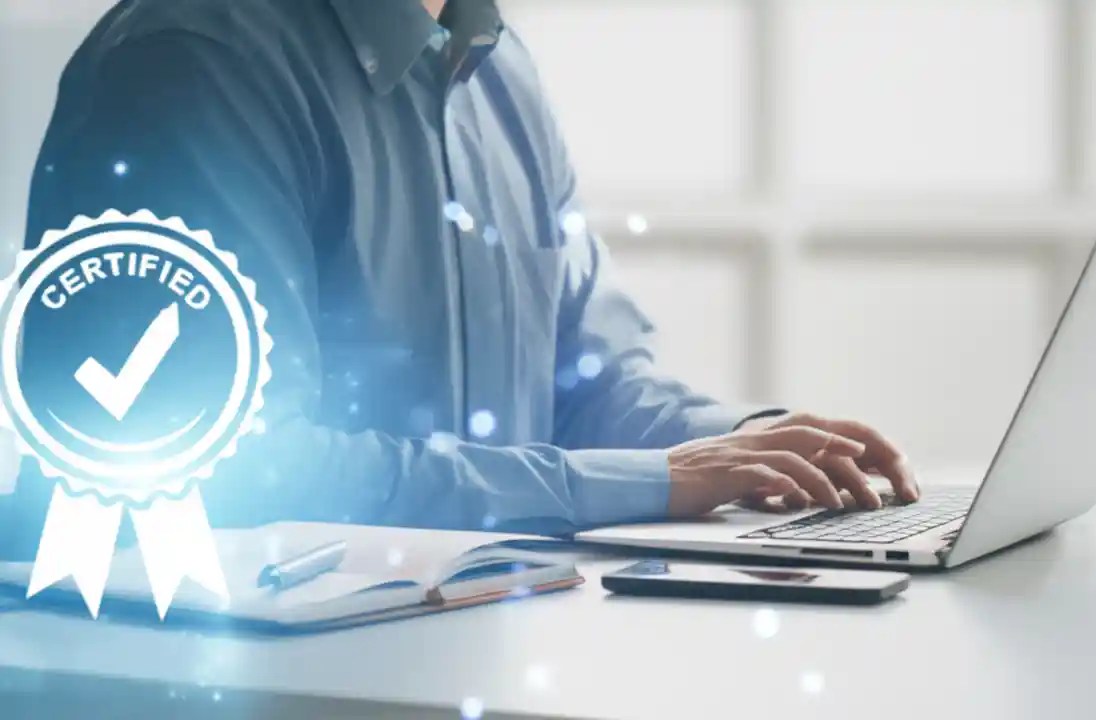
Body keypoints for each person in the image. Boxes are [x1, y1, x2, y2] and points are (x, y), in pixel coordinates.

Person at [1, 0, 917, 557]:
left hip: (462, 654)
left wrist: (752, 448)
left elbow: (589, 385)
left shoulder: (496, 71)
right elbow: (226, 475)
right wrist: (649, 480)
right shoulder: (193, 65)